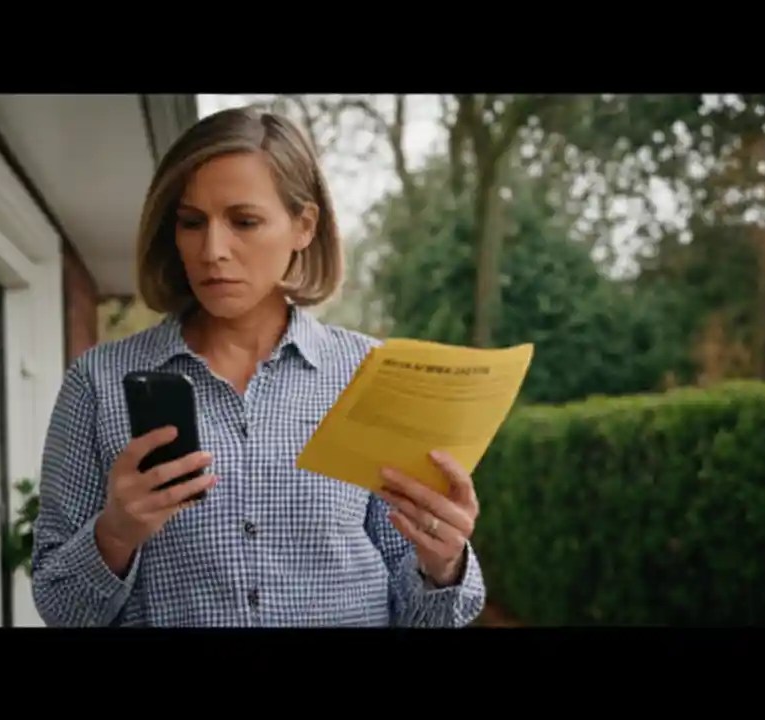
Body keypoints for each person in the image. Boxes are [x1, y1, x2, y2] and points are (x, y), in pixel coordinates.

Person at [30, 105, 486, 627]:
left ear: (303, 226)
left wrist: (444, 562)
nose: (213, 250)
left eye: (244, 221)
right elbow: (60, 608)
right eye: (191, 223)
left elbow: (429, 613)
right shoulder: (98, 382)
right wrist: (115, 533)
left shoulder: (372, 376)